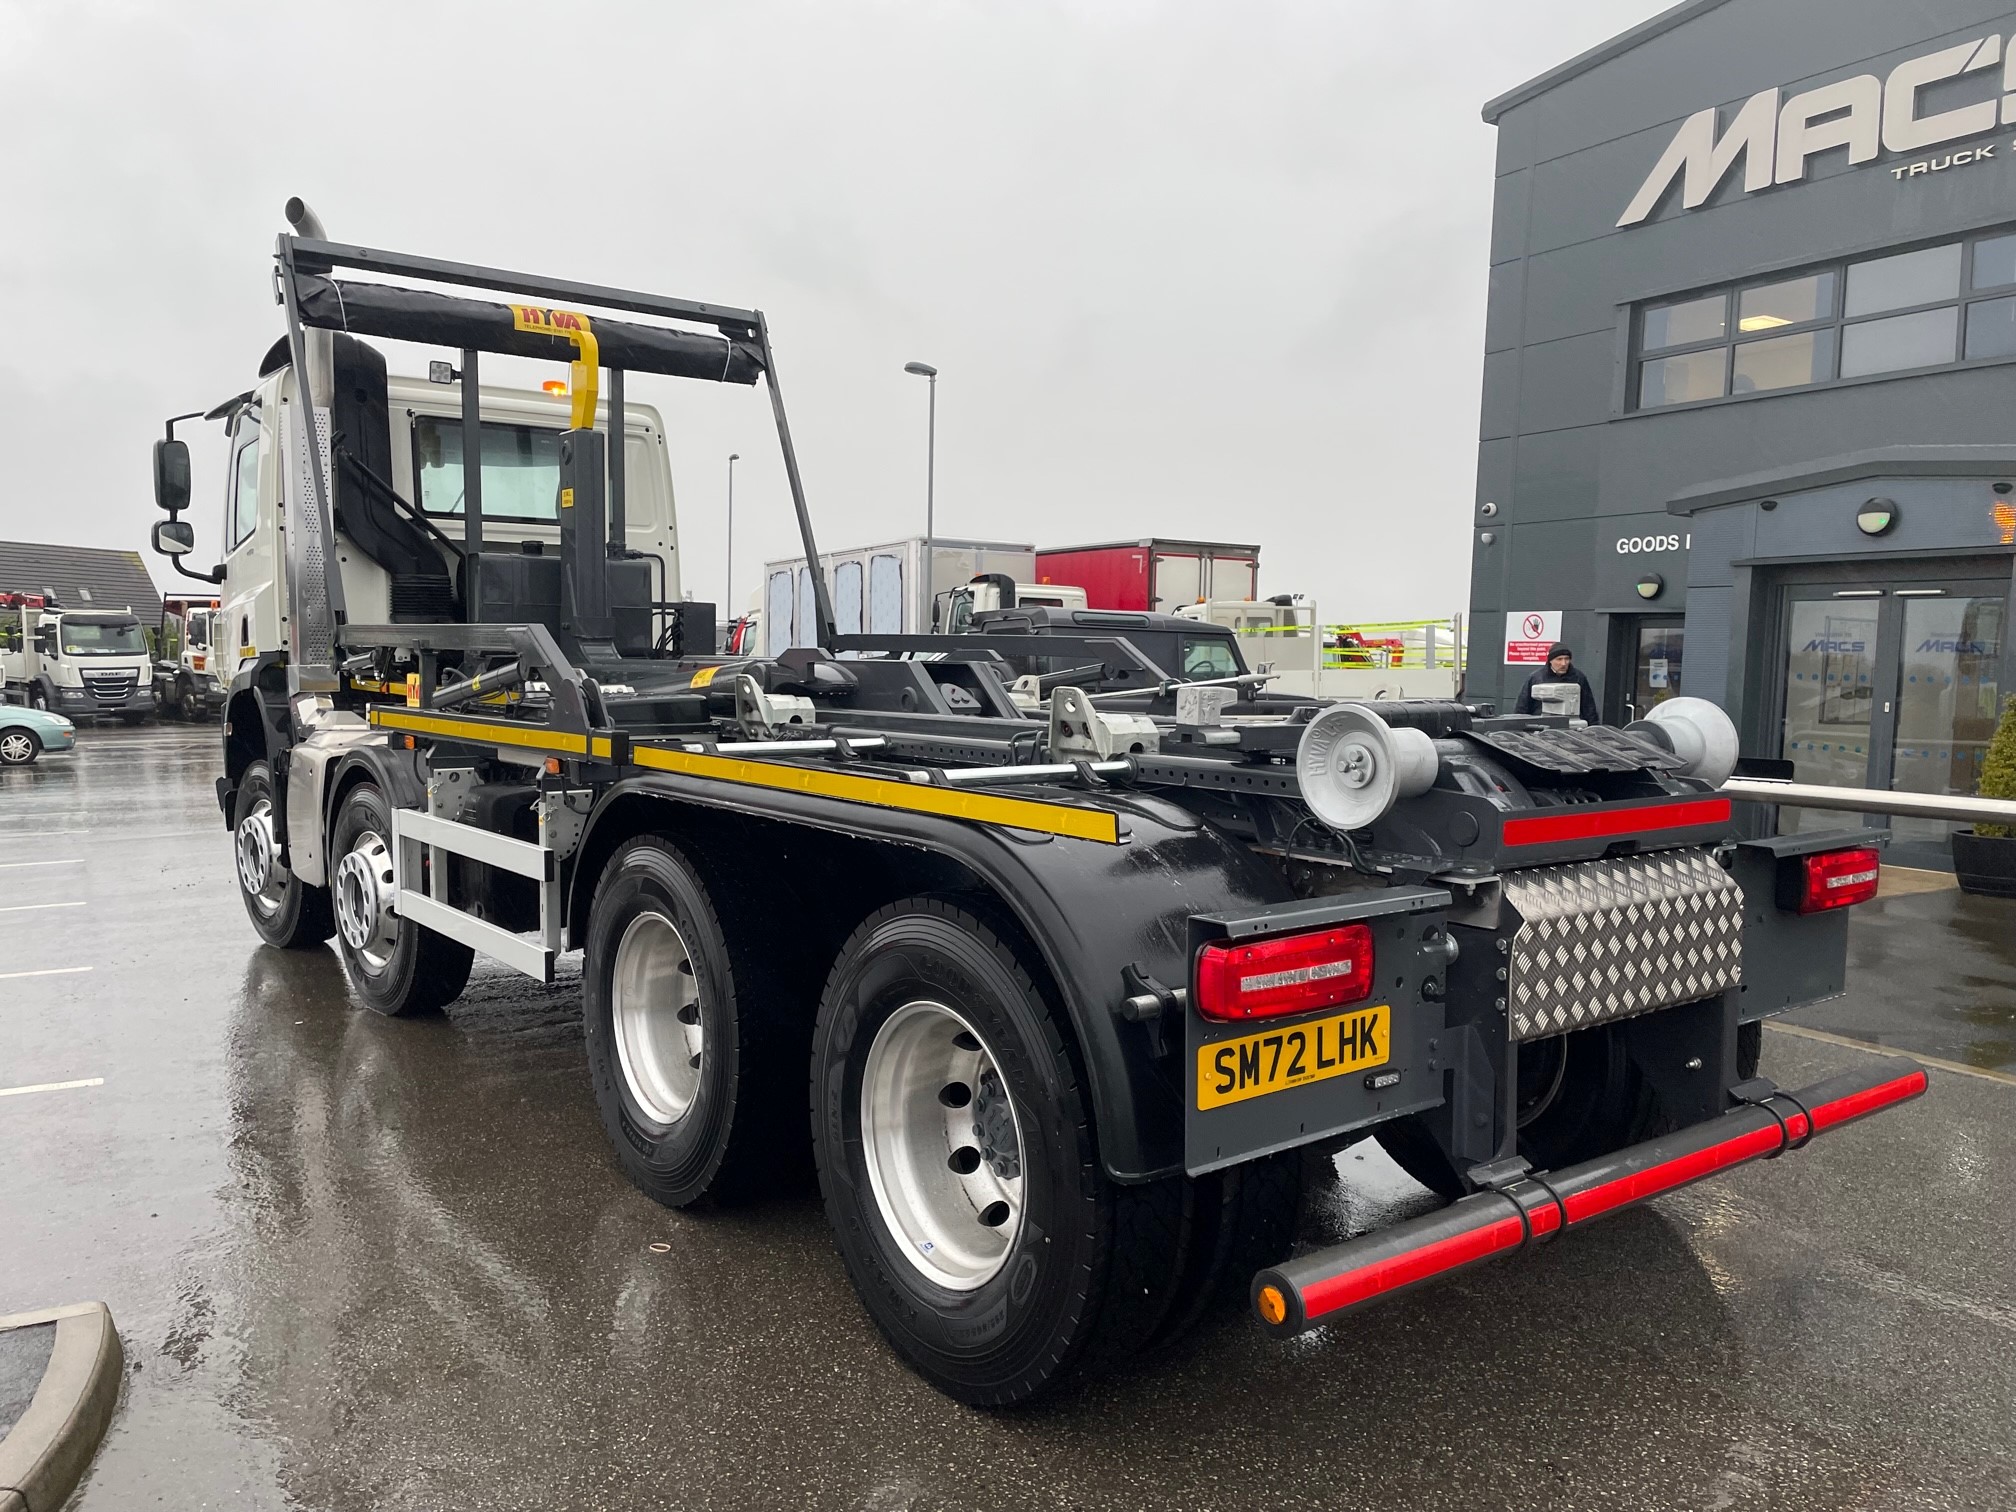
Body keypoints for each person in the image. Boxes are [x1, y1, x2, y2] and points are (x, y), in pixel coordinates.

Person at [1516, 643, 1600, 722]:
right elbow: (1522, 707)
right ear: (1550, 661)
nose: (1563, 663)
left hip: (1571, 727)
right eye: (1559, 659)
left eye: (1566, 659)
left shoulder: (1579, 678)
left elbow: (1589, 708)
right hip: (1541, 728)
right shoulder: (1536, 678)